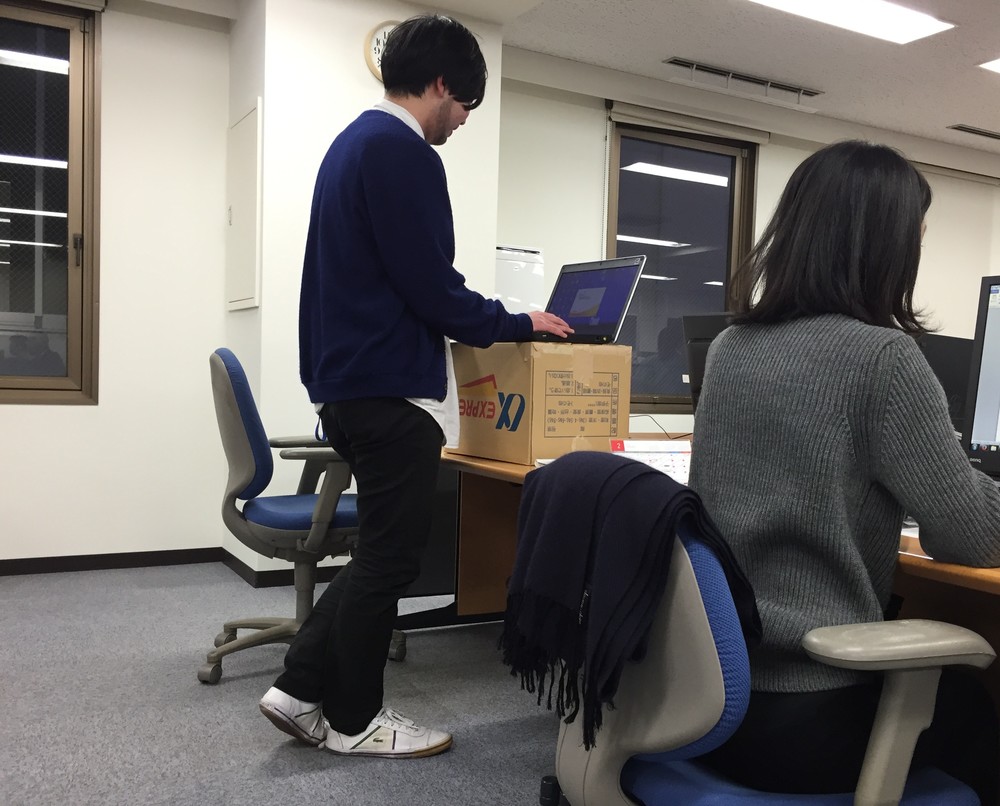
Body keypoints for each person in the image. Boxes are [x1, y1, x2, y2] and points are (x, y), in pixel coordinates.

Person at [257, 14, 572, 760]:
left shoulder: (351, 145)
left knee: (379, 552)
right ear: (438, 84)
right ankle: (355, 719)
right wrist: (518, 320)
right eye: (464, 104)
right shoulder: (402, 152)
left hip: (348, 385)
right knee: (391, 560)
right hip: (389, 390)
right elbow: (433, 289)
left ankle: (299, 689)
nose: (462, 120)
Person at [688, 140, 1000, 803]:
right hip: (809, 713)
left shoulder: (730, 347)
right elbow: (972, 538)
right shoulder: (884, 358)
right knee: (975, 705)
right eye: (916, 236)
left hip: (708, 699)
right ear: (886, 245)